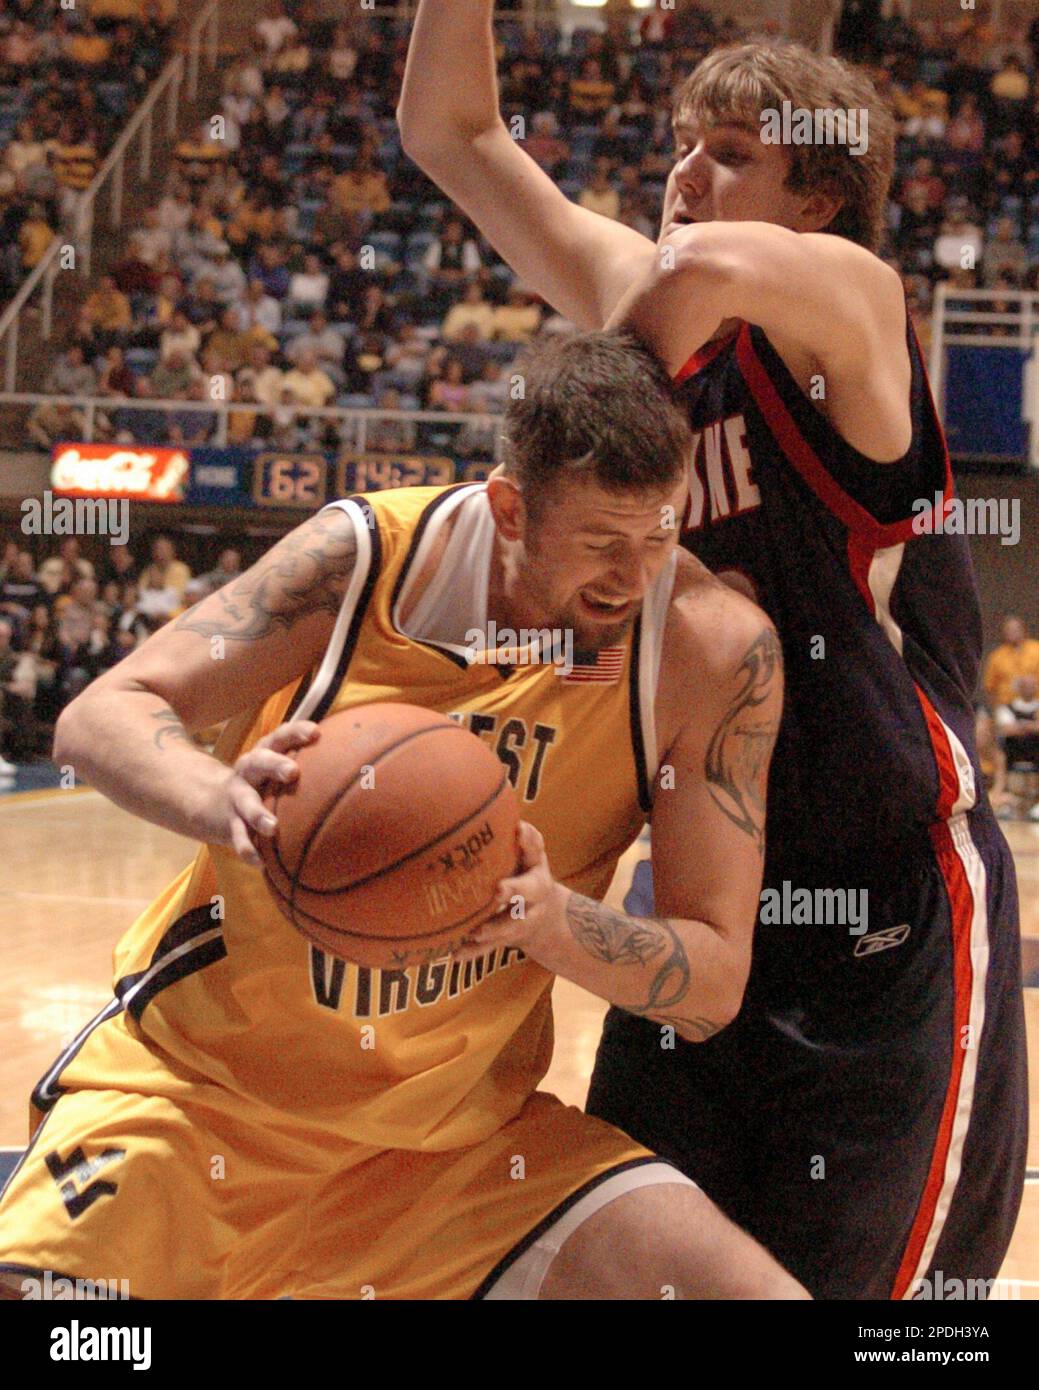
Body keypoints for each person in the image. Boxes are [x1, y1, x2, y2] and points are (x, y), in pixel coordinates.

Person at [399, 13, 1027, 1299]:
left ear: (824, 194)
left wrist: (582, 404)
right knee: (639, 1272)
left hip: (885, 912)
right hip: (700, 899)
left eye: (730, 150)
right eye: (681, 143)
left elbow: (678, 284)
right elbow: (451, 137)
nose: (684, 169)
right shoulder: (665, 309)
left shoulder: (854, 308)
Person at [0, 331, 804, 1301]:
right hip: (202, 1105)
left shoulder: (711, 656)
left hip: (457, 1154)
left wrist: (553, 921)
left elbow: (711, 983)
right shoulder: (364, 560)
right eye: (600, 542)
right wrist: (224, 800)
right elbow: (101, 716)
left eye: (658, 536)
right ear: (511, 506)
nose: (631, 578)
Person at [983, 615, 1039, 708]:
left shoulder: (1036, 649)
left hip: (1036, 703)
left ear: (1024, 630)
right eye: (1008, 630)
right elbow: (990, 687)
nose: (1012, 632)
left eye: (1015, 629)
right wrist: (996, 709)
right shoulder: (997, 656)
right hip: (1007, 705)